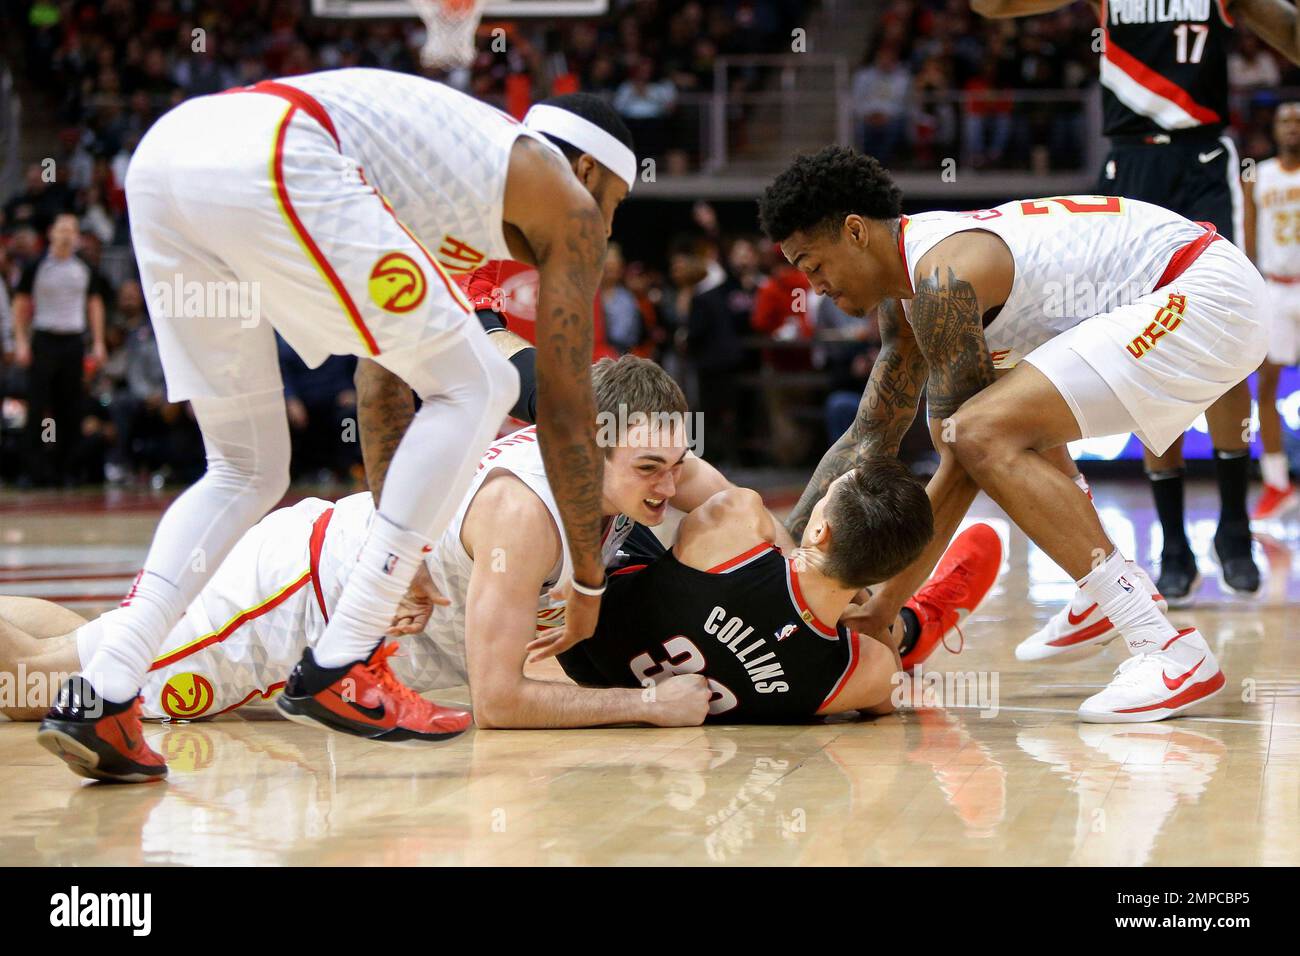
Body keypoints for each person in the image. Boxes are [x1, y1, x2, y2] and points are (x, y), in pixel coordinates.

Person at [36, 72, 634, 783]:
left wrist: (396, 546)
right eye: (618, 203)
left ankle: (103, 691)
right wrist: (589, 585)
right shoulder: (565, 202)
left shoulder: (449, 190)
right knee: (487, 381)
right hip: (275, 150)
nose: (610, 225)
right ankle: (342, 660)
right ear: (591, 170)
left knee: (244, 468)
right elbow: (568, 407)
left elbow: (378, 383)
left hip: (166, 158)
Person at [1, 357, 997, 729]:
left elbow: (732, 504)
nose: (664, 489)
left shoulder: (618, 471)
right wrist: (648, 705)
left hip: (331, 565)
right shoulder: (530, 517)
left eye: (669, 466)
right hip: (297, 601)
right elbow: (503, 703)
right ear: (587, 447)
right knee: (66, 680)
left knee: (97, 631)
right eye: (647, 471)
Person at [760, 146, 1265, 722]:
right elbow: (868, 437)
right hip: (1182, 289)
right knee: (1001, 414)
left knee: (979, 432)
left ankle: (1165, 647)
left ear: (854, 231)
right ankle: (1097, 593)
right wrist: (776, 559)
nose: (814, 285)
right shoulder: (909, 293)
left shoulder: (943, 278)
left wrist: (883, 607)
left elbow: (963, 458)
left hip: (1204, 294)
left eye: (812, 264)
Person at [973, 0, 1300, 602]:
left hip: (1202, 156)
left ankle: (1233, 529)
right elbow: (992, 7)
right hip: (1129, 162)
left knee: (1221, 335)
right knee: (1142, 346)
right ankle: (1173, 540)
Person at [11, 212, 110, 487]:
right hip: (44, 339)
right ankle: (34, 472)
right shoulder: (37, 265)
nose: (67, 234)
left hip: (73, 341)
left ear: (77, 235)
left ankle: (68, 470)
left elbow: (95, 304)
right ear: (52, 232)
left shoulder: (84, 267)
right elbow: (20, 304)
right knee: (38, 409)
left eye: (72, 229)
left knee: (71, 408)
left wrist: (99, 342)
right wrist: (21, 341)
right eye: (62, 228)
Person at [1246, 101, 1300, 520]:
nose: (1293, 128)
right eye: (1285, 121)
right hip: (1274, 286)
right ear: (1275, 128)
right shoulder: (1257, 175)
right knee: (1265, 386)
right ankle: (1276, 481)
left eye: (1299, 121)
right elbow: (1247, 236)